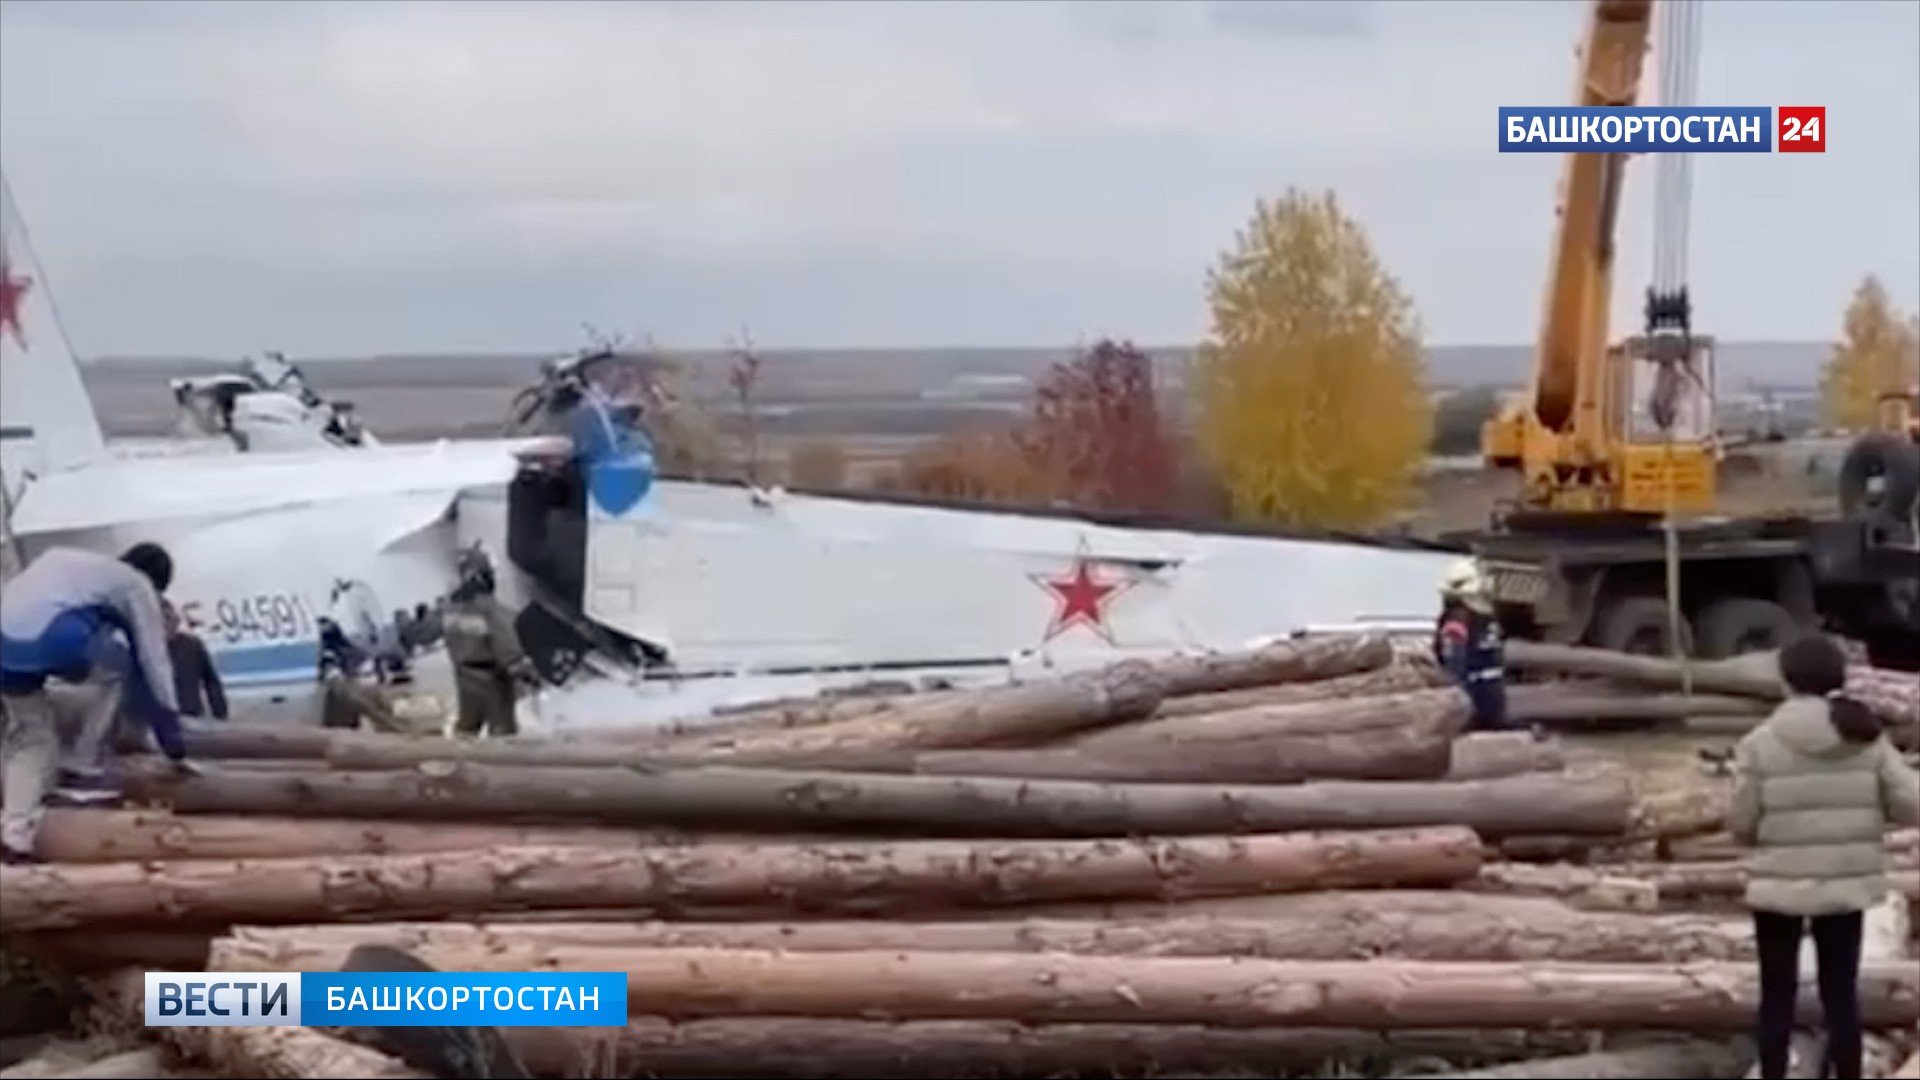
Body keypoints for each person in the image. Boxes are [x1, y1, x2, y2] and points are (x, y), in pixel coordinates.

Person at [1730, 633, 1920, 1080]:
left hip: (1778, 886)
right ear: (1839, 677)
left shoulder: (1759, 742)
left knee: (1776, 994)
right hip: (1845, 885)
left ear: (1786, 679)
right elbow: (1910, 805)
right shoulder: (1865, 736)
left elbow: (1741, 822)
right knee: (1841, 996)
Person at [0, 543, 193, 864]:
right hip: (47, 639)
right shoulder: (136, 584)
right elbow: (153, 660)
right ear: (156, 583)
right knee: (117, 669)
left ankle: (15, 837)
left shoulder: (63, 557)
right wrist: (172, 736)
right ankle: (82, 768)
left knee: (32, 739)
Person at [442, 546, 534, 738]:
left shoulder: (450, 610)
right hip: (493, 682)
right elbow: (507, 648)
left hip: (465, 679)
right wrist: (527, 674)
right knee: (502, 736)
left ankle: (460, 764)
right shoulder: (491, 610)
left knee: (466, 731)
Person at [1431, 557, 1508, 732]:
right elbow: (1454, 665)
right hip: (1481, 701)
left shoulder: (1475, 619)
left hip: (1483, 699)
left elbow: (1456, 663)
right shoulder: (1466, 620)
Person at [163, 600, 227, 721]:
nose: (166, 625)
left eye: (169, 619)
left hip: (192, 715)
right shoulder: (146, 650)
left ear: (176, 621)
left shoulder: (192, 645)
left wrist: (220, 714)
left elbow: (211, 682)